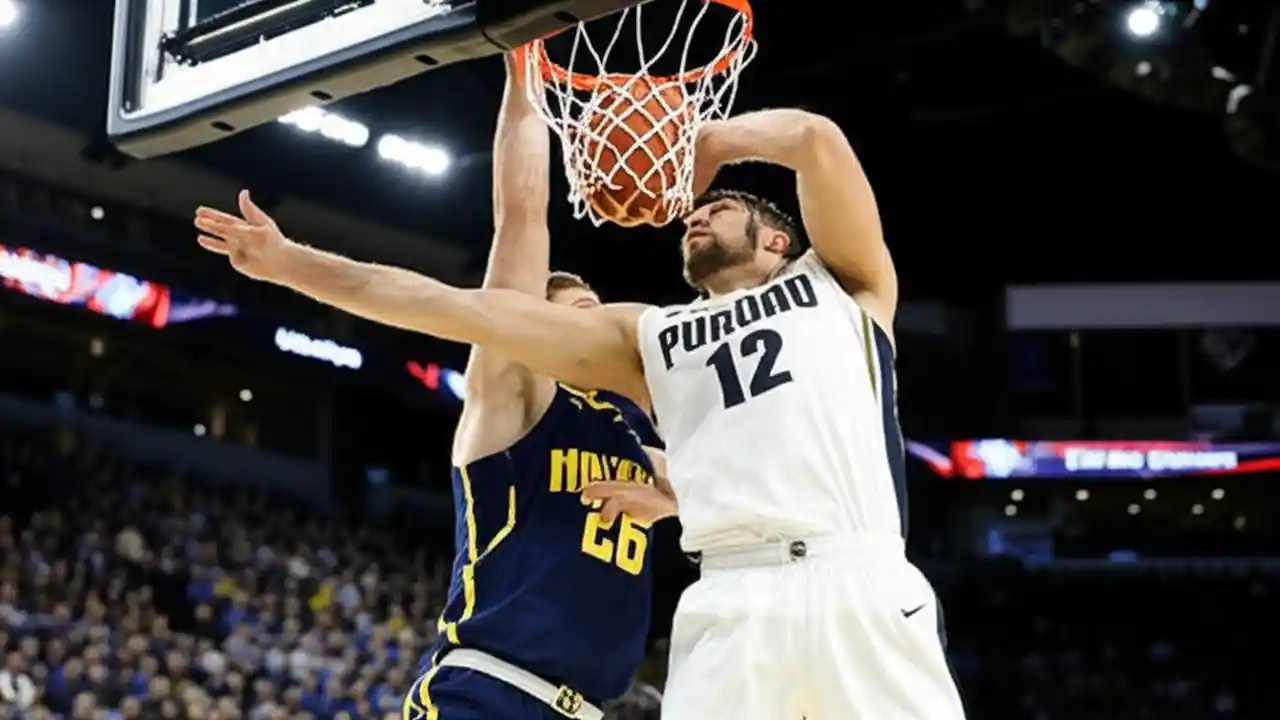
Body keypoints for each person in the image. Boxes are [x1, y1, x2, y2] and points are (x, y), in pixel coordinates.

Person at [194, 87, 963, 716]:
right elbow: (450, 303)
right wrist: (293, 264)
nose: (698, 213)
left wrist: (708, 142)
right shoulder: (649, 337)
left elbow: (816, 137)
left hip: (855, 569)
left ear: (777, 243)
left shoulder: (844, 291)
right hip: (729, 597)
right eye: (699, 209)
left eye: (722, 208)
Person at [211, 57, 668, 720]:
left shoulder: (632, 433)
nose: (595, 320)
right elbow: (522, 215)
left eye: (600, 307)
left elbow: (728, 490)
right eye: (576, 308)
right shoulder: (519, 394)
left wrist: (678, 495)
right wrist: (525, 80)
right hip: (486, 694)